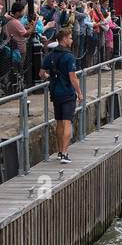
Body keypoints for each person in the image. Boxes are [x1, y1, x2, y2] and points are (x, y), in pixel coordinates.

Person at [40, 27, 81, 164]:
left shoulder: (50, 55)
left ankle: (59, 151)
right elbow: (73, 77)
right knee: (67, 122)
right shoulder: (69, 57)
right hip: (68, 93)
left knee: (59, 122)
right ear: (64, 39)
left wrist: (50, 77)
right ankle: (64, 153)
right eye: (70, 38)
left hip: (55, 93)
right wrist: (80, 93)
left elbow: (41, 73)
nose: (72, 40)